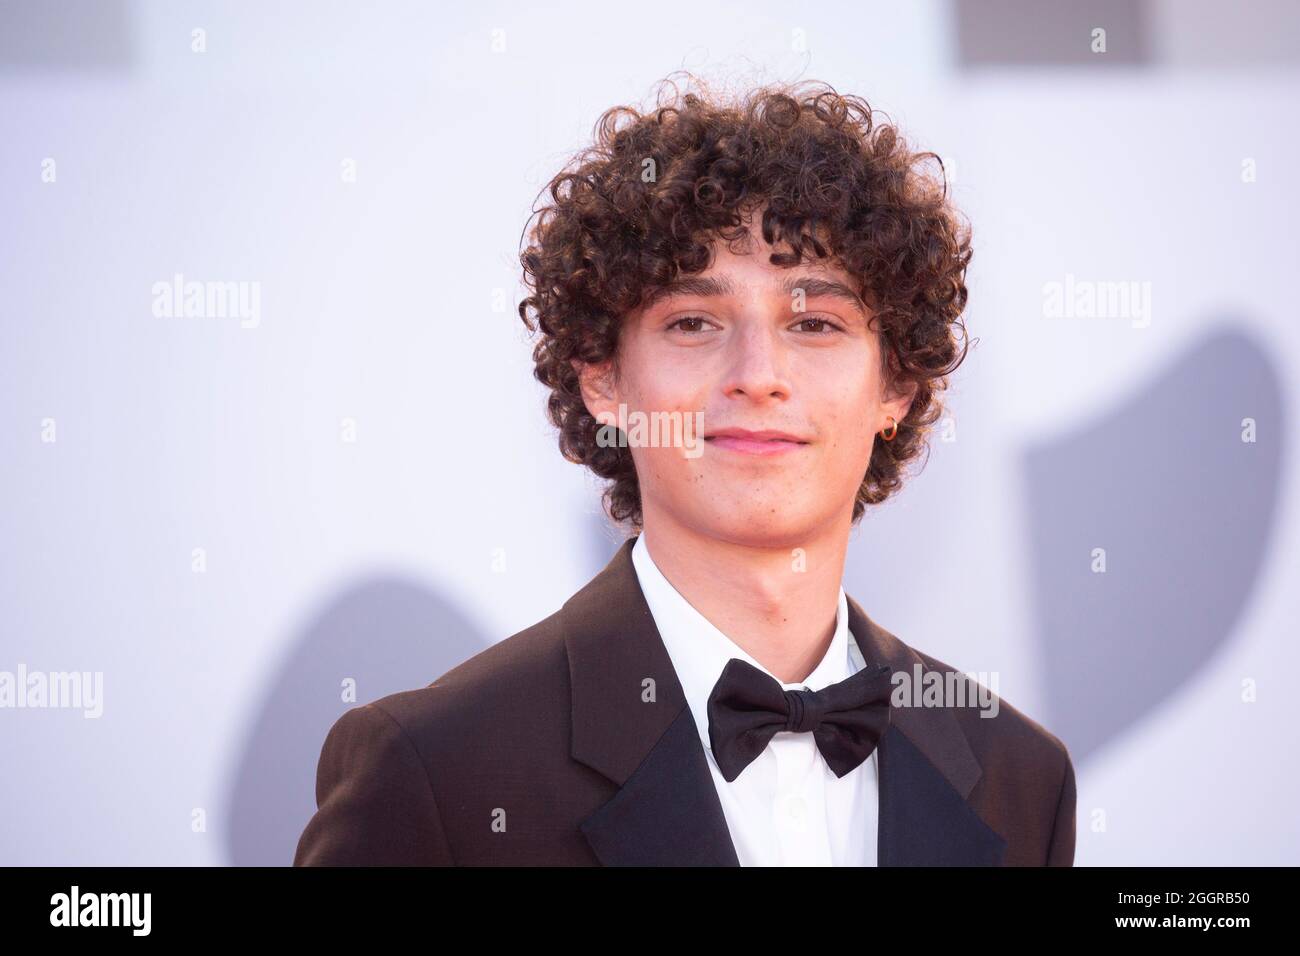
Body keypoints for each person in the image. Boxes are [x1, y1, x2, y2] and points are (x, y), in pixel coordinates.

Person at [293, 74, 1076, 866]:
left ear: (896, 387)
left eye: (815, 322)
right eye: (693, 322)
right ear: (602, 378)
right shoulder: (434, 773)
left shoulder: (1021, 778)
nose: (759, 374)